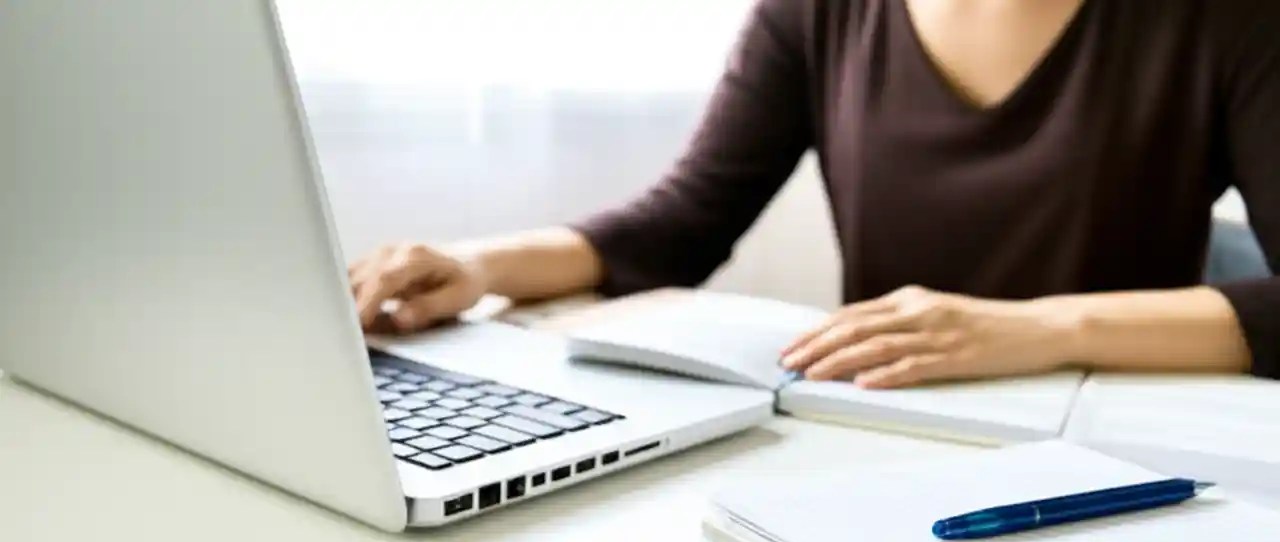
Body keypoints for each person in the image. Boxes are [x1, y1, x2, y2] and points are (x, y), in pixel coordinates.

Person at [348, 0, 1279, 389]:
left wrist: (1040, 329)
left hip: (1121, 444)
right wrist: (477, 267)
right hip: (880, 427)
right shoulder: (819, 11)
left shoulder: (1232, 19)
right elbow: (683, 223)